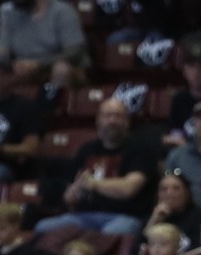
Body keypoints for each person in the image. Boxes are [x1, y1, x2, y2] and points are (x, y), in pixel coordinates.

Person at [39, 97, 159, 238]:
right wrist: (71, 193)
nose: (112, 121)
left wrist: (93, 184)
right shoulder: (87, 149)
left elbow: (129, 188)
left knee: (108, 235)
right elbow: (77, 185)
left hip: (124, 216)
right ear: (98, 121)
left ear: (127, 122)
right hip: (84, 216)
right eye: (107, 116)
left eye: (118, 116)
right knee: (43, 227)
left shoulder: (141, 149)